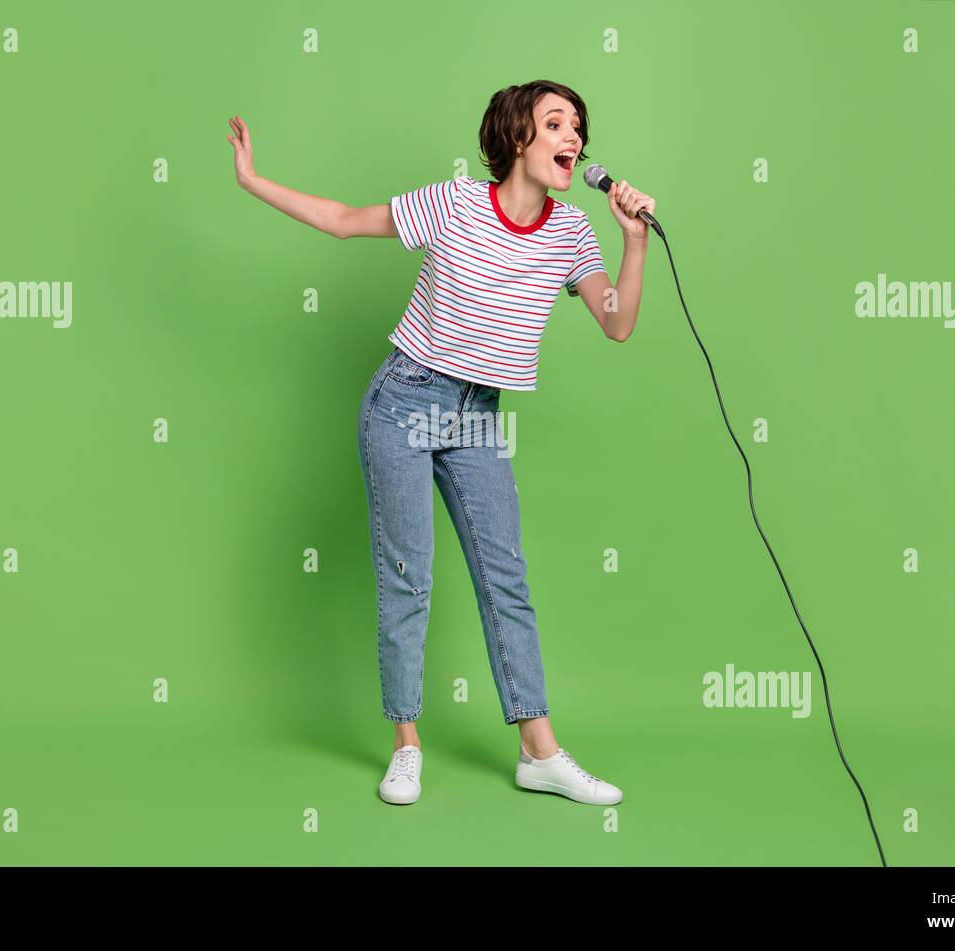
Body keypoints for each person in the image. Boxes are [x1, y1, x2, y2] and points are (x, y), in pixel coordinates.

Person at [227, 80, 654, 807]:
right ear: (518, 136)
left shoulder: (571, 232)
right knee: (408, 577)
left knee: (505, 578)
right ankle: (406, 745)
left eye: (578, 126)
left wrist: (633, 239)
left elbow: (617, 321)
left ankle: (539, 751)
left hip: (478, 415)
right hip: (404, 400)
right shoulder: (453, 203)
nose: (573, 137)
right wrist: (252, 179)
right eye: (556, 122)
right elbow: (341, 221)